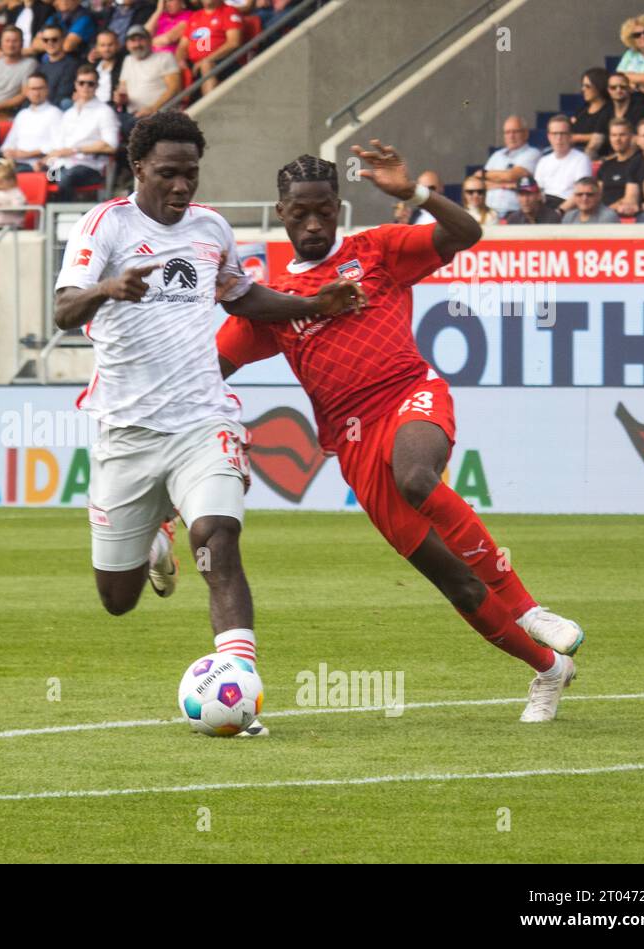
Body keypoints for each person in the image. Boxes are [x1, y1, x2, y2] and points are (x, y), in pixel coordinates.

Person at [216, 143, 585, 723]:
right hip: (354, 443)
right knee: (459, 587)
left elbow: (466, 234)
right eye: (299, 212)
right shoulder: (274, 303)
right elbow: (212, 366)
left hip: (411, 393)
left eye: (323, 211)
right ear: (281, 212)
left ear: (337, 207)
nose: (313, 223)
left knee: (416, 476)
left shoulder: (378, 250)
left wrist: (414, 195)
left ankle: (530, 608)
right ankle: (547, 668)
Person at [54, 111, 362, 737]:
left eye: (190, 173)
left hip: (203, 419)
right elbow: (63, 310)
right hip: (126, 432)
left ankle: (239, 690)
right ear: (139, 168)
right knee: (117, 600)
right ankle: (150, 539)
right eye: (168, 174)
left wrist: (310, 304)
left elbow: (240, 296)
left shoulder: (211, 228)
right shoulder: (104, 226)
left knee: (219, 537)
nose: (181, 186)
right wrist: (110, 288)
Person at [46, 64, 118, 200]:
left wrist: (75, 150)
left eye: (90, 84)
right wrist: (48, 158)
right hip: (61, 165)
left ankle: (66, 219)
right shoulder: (68, 114)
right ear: (76, 85)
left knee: (66, 178)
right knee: (41, 177)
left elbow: (111, 146)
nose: (85, 87)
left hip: (90, 167)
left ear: (97, 86)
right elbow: (57, 145)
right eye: (82, 83)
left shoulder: (105, 112)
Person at [177, 0, 243, 96]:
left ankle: (210, 108)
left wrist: (205, 60)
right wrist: (180, 60)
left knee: (206, 65)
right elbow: (182, 46)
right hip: (194, 66)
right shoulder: (195, 16)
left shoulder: (229, 11)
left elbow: (233, 43)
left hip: (222, 62)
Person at [481, 115, 540, 220]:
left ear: (525, 134)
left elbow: (511, 176)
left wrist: (487, 175)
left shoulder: (532, 153)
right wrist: (509, 185)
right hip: (489, 212)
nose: (511, 136)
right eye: (507, 132)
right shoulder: (496, 155)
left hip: (515, 213)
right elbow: (481, 183)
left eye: (515, 132)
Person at [0, 72, 61, 171]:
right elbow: (9, 142)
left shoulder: (55, 113)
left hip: (40, 164)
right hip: (15, 162)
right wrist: (8, 151)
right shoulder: (22, 115)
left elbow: (58, 145)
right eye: (33, 89)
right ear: (27, 91)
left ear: (47, 90)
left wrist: (28, 154)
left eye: (40, 88)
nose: (36, 93)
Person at [118, 23, 180, 119]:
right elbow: (122, 88)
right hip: (134, 116)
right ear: (127, 45)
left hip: (161, 113)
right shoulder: (128, 60)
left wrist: (153, 108)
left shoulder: (165, 57)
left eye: (141, 39)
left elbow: (174, 88)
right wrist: (120, 98)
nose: (137, 44)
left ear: (150, 41)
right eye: (133, 41)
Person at [533, 114, 591, 211]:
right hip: (545, 208)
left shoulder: (581, 159)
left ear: (570, 136)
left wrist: (559, 211)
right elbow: (538, 192)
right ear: (549, 137)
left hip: (568, 209)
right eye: (554, 134)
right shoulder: (543, 161)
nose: (559, 138)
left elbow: (581, 194)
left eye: (563, 133)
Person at [0, 25, 37, 120]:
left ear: (22, 43)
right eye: (7, 41)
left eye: (15, 41)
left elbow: (24, 94)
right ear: (1, 43)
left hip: (6, 112)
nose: (10, 45)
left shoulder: (30, 64)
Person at [598, 118, 641, 214]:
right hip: (602, 216)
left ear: (631, 137)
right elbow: (597, 195)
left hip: (626, 215)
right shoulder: (605, 165)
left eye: (622, 135)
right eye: (614, 135)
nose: (617, 139)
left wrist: (606, 211)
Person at [569, 67, 610, 158]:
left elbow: (604, 136)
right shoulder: (582, 110)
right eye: (582, 85)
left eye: (587, 86)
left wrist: (577, 138)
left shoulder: (609, 110)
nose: (583, 89)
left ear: (599, 87)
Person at [35, 23, 77, 108]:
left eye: (54, 39)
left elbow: (62, 97)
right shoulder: (41, 67)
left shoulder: (71, 66)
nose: (50, 43)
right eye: (46, 40)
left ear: (63, 40)